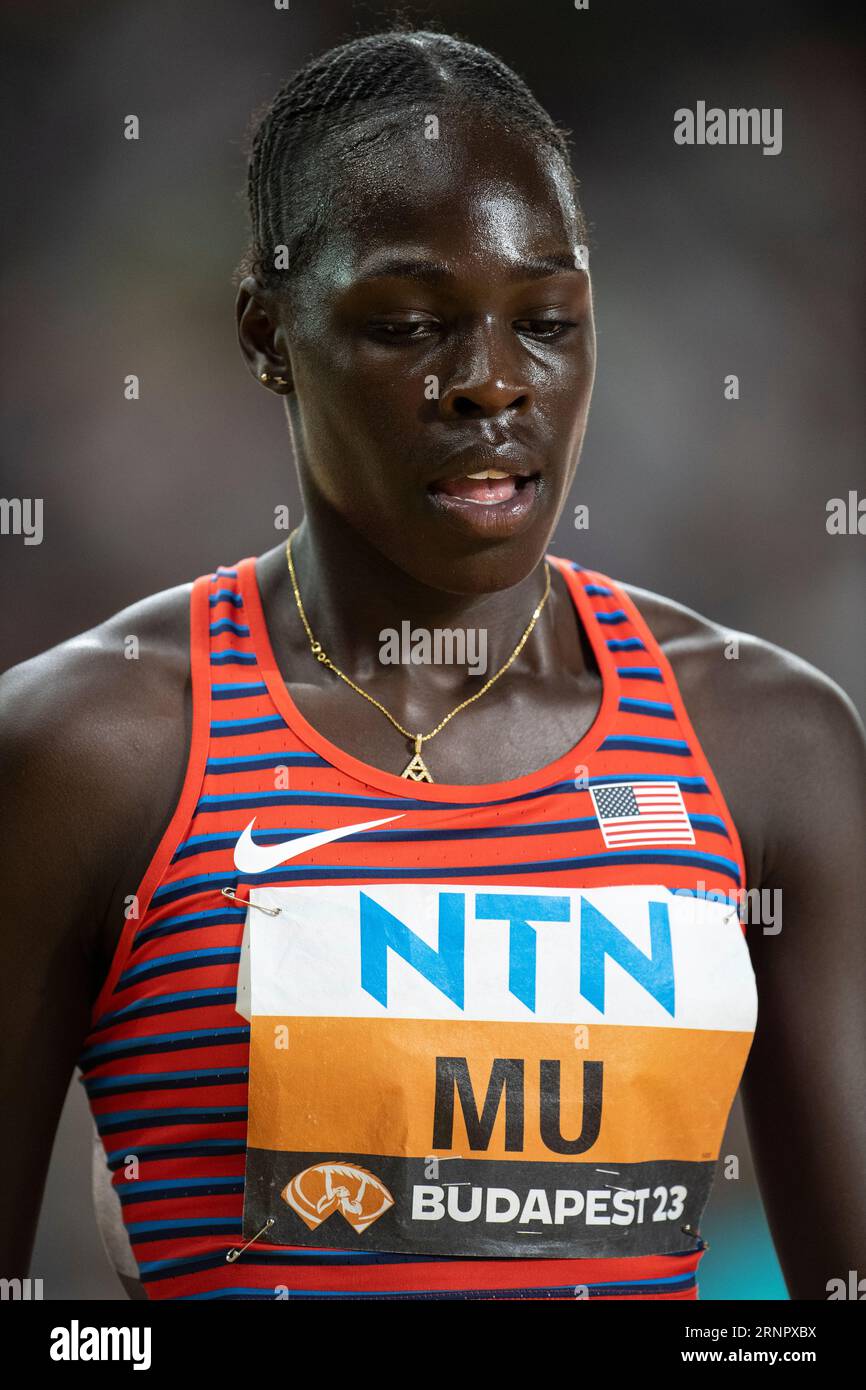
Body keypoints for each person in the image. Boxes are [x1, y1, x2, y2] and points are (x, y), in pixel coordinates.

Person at [1, 25, 864, 1303]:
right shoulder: (92, 750)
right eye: (411, 323)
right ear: (266, 331)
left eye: (548, 320)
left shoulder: (768, 744)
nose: (492, 383)